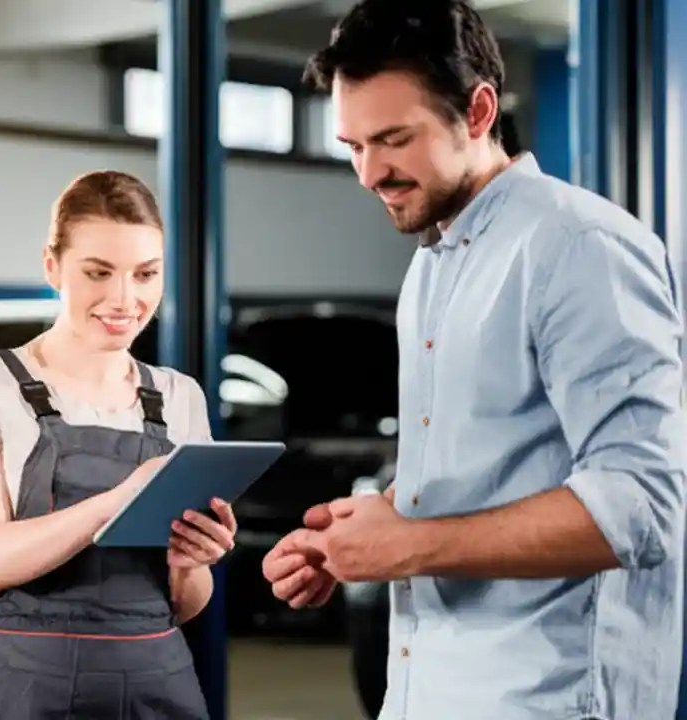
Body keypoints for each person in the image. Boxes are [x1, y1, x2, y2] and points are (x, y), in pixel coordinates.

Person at [262, 1, 685, 719]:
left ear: (479, 109)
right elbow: (483, 470)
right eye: (354, 145)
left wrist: (411, 547)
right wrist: (363, 534)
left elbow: (644, 505)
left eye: (394, 139)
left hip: (546, 700)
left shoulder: (577, 247)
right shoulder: (432, 265)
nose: (370, 173)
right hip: (430, 690)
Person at [0, 170, 235, 719]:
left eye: (145, 275)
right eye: (98, 273)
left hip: (158, 685)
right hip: (30, 691)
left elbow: (184, 606)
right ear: (52, 266)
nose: (124, 299)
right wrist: (123, 499)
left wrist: (192, 562)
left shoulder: (177, 396)